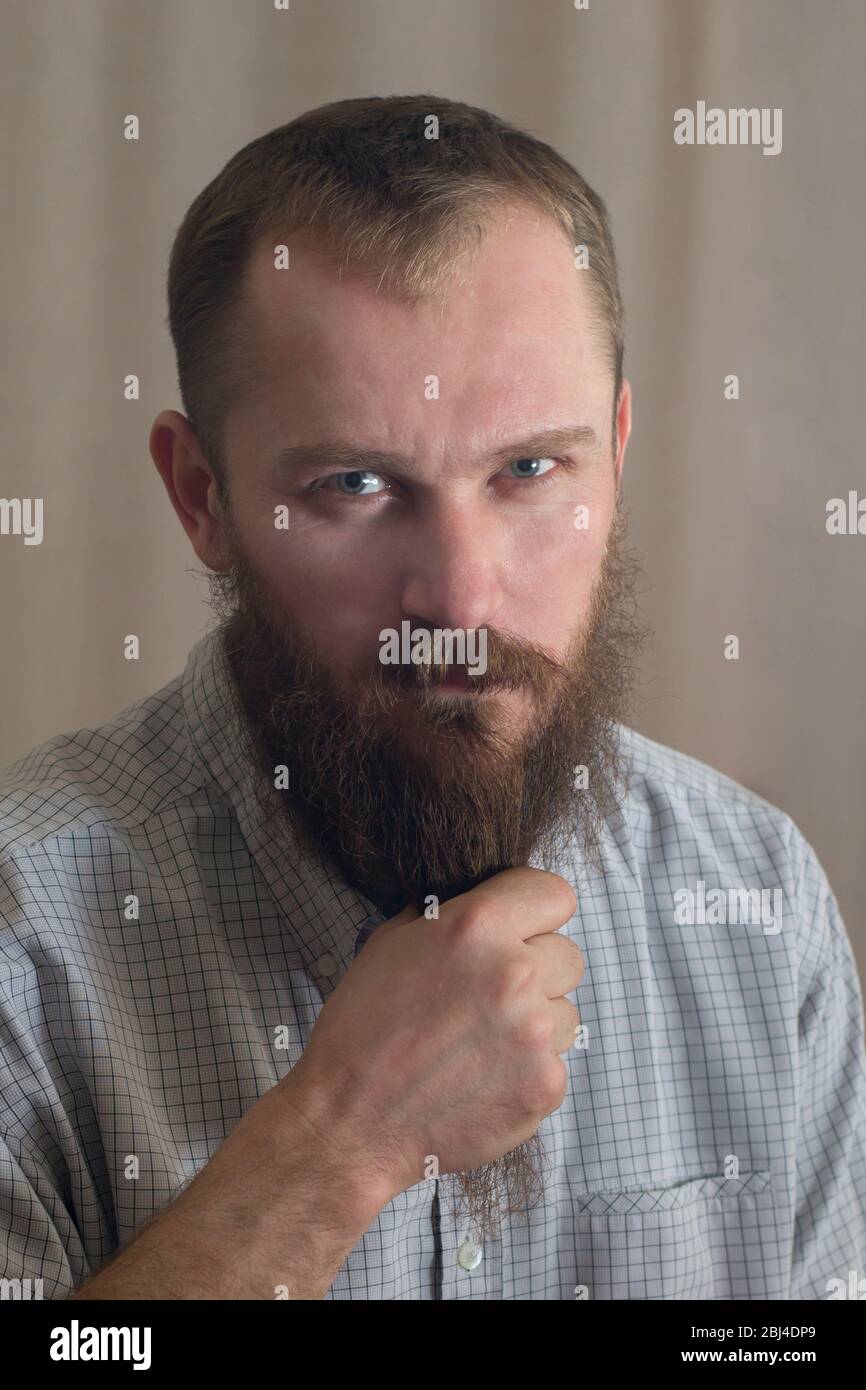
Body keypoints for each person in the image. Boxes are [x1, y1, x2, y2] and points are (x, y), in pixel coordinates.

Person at [1, 94, 864, 1301]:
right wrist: (337, 1142)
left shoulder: (757, 903)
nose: (459, 601)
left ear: (614, 456)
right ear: (201, 496)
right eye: (355, 484)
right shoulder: (22, 929)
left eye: (526, 470)